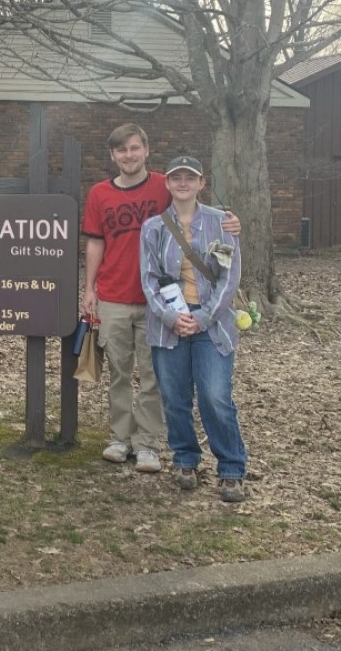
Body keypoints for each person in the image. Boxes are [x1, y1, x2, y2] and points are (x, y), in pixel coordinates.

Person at [81, 124, 239, 474]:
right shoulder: (99, 194)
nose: (128, 155)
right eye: (121, 150)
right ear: (113, 156)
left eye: (134, 148)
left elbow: (195, 211)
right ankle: (120, 438)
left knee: (153, 377)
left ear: (146, 150)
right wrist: (89, 288)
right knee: (120, 373)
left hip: (165, 304)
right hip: (115, 296)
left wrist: (231, 223)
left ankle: (148, 444)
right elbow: (95, 241)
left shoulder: (163, 185)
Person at [140, 155, 247, 503]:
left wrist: (202, 318)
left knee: (215, 397)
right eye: (176, 177)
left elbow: (229, 278)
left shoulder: (223, 224)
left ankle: (231, 469)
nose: (182, 183)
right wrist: (172, 318)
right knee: (175, 398)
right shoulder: (153, 228)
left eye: (190, 177)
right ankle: (185, 460)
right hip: (168, 323)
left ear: (202, 183)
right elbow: (149, 279)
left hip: (212, 323)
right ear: (167, 184)